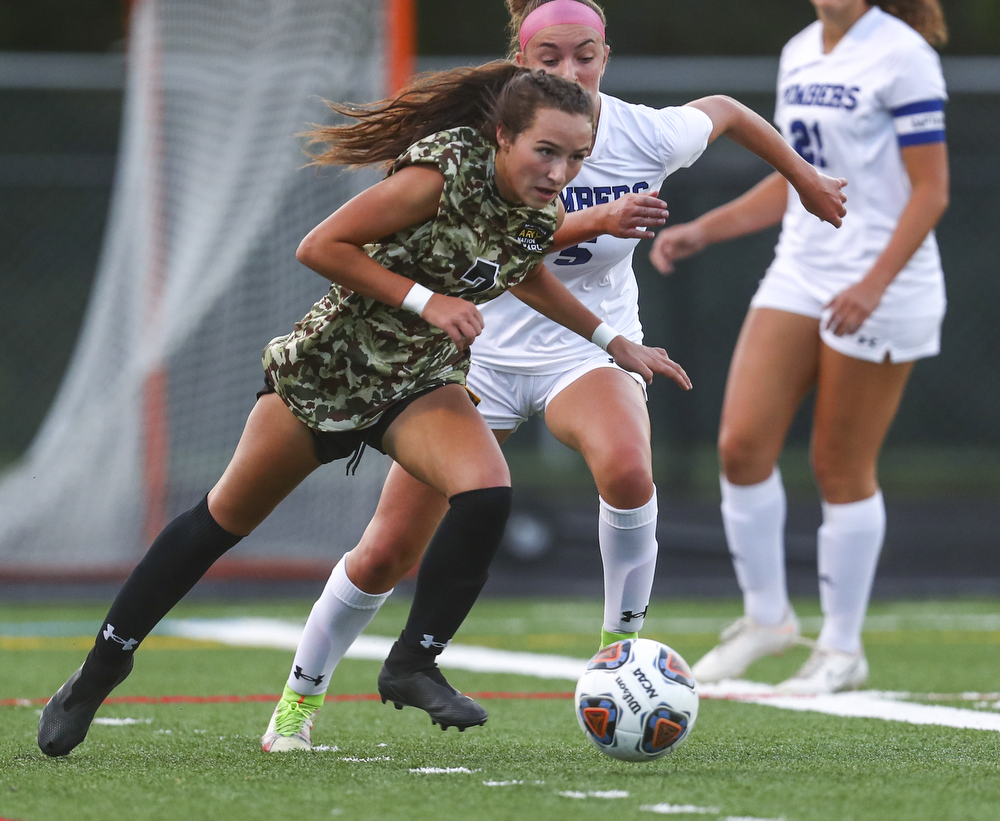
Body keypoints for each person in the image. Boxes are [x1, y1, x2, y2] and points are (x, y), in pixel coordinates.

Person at [260, 0, 847, 752]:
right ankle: (296, 704)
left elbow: (732, 111)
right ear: (521, 64)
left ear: (607, 55)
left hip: (586, 343)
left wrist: (804, 179)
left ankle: (620, 658)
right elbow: (507, 245)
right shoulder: (485, 144)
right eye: (551, 58)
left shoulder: (647, 134)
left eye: (587, 56)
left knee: (628, 469)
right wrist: (596, 219)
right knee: (388, 549)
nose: (572, 72)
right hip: (468, 354)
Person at [37, 64, 697, 758]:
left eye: (577, 157)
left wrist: (613, 341)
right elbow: (320, 246)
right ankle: (103, 665)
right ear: (503, 136)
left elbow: (523, 269)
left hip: (419, 382)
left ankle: (413, 661)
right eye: (547, 151)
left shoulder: (537, 210)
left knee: (486, 493)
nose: (560, 172)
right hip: (331, 371)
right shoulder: (441, 173)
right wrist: (427, 301)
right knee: (220, 521)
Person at [650, 0, 949, 694]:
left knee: (838, 466)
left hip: (882, 282)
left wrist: (873, 283)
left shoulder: (903, 55)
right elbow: (798, 181)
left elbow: (932, 191)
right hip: (802, 270)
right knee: (740, 446)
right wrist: (704, 229)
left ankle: (842, 650)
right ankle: (767, 621)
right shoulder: (799, 52)